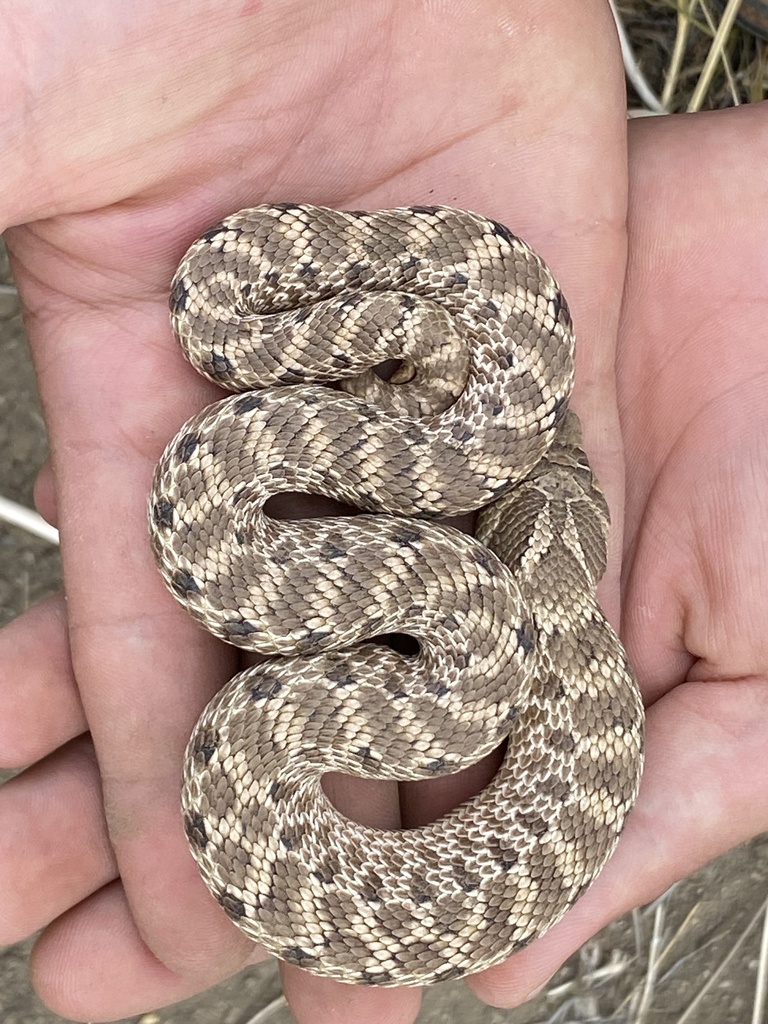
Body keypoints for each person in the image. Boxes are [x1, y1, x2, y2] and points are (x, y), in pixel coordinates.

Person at [0, 3, 766, 1022]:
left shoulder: (503, 634)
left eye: (544, 465)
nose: (546, 440)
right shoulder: (482, 602)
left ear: (508, 533)